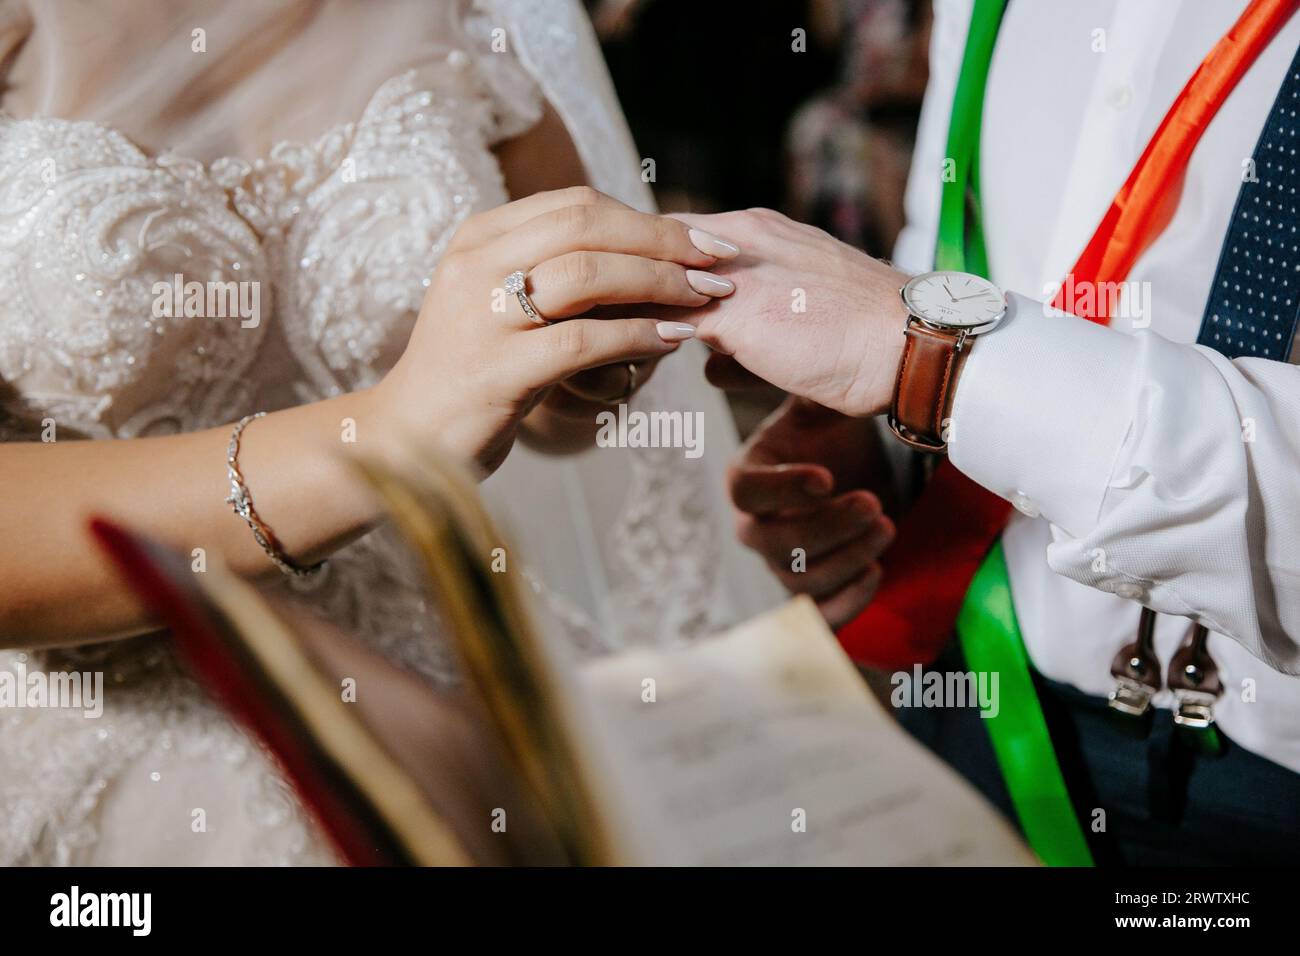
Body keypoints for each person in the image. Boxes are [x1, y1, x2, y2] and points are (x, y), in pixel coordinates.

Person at [0, 0, 777, 865]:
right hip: (126, 735)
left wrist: (582, 370)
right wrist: (383, 434)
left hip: (454, 695)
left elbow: (553, 406)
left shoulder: (457, 17)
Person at [677, 0, 1300, 864]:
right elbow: (952, 262)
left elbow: (931, 328)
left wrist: (928, 356)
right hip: (981, 709)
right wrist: (889, 452)